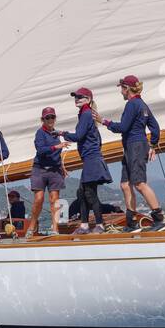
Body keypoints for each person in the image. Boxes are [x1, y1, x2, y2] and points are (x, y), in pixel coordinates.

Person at [99, 75, 165, 233]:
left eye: (121, 89)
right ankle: (131, 222)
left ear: (127, 89)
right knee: (125, 184)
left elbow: (123, 127)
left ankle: (160, 219)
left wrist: (105, 122)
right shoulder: (142, 105)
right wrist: (152, 144)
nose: (121, 92)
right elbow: (155, 128)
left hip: (135, 146)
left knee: (139, 183)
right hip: (135, 146)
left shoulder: (132, 104)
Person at [60, 88, 111, 234]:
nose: (77, 99)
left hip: (92, 160)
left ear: (88, 100)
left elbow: (78, 136)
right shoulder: (85, 114)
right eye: (75, 97)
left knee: (89, 193)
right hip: (91, 159)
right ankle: (84, 225)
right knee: (82, 193)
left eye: (80, 97)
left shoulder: (86, 114)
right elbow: (96, 139)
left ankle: (99, 225)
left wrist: (63, 133)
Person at [30, 107, 68, 236]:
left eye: (52, 117)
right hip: (39, 168)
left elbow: (58, 153)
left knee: (55, 199)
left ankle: (55, 229)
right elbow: (41, 150)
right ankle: (32, 226)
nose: (50, 119)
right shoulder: (40, 133)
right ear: (43, 119)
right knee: (39, 199)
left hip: (55, 169)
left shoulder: (56, 133)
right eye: (47, 117)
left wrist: (62, 166)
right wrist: (56, 146)